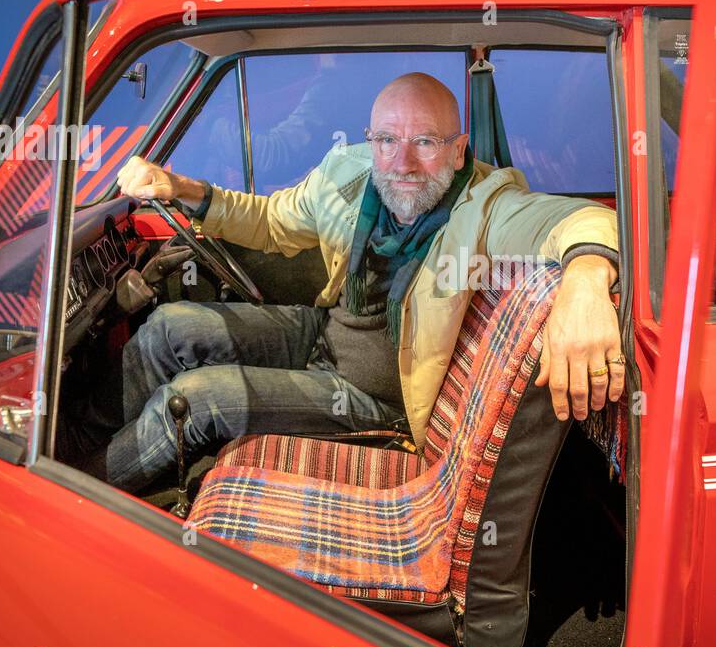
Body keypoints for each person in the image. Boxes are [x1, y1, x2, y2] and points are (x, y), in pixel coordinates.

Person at [77, 73, 623, 491]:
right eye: (388, 140)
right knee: (169, 327)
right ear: (370, 140)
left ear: (459, 151)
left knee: (197, 401)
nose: (403, 162)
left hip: (373, 397)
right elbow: (270, 222)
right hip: (322, 333)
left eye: (427, 142)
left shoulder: (486, 207)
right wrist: (181, 187)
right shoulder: (348, 175)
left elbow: (580, 221)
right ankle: (84, 438)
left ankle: (76, 490)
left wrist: (586, 281)